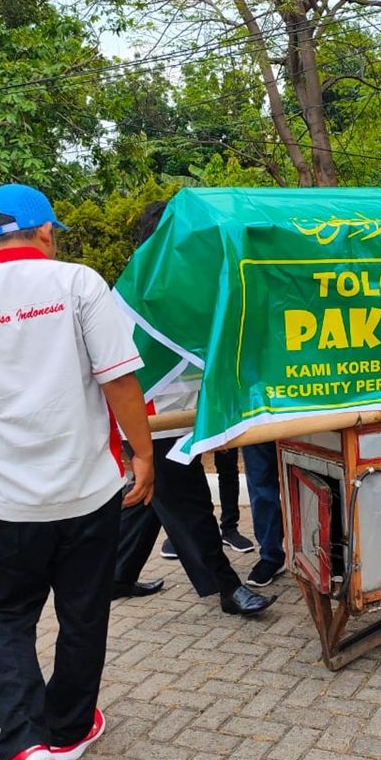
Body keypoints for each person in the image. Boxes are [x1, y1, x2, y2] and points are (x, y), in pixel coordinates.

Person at [0, 183, 156, 760]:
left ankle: (22, 741)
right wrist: (142, 455)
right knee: (83, 611)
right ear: (45, 231)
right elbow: (119, 381)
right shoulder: (79, 284)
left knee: (2, 616)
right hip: (88, 493)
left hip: (2, 502)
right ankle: (69, 730)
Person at [115, 200, 274, 616]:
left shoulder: (190, 281)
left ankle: (115, 574)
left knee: (150, 499)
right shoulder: (140, 291)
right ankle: (227, 589)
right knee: (189, 505)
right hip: (152, 420)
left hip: (184, 412)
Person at [158, 446, 254, 558]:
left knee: (229, 470)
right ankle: (179, 533)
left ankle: (230, 529)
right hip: (188, 429)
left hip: (223, 429)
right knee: (184, 470)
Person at [242, 441, 287, 587]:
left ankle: (321, 555)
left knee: (307, 479)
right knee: (261, 489)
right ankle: (271, 556)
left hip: (296, 420)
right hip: (254, 422)